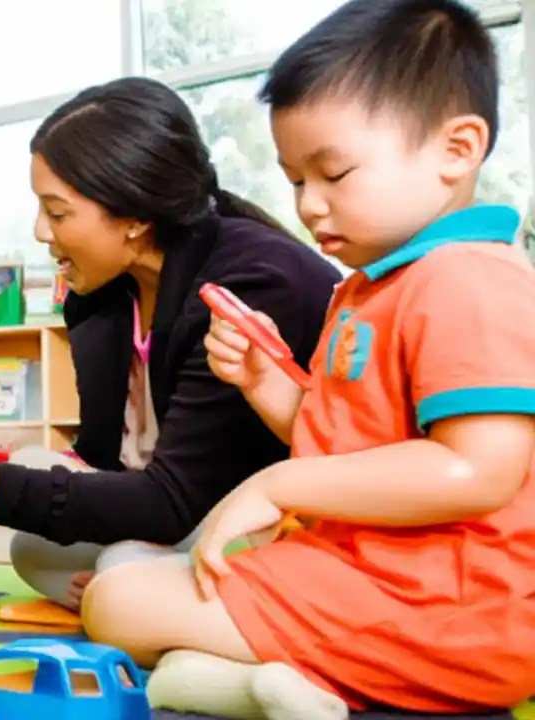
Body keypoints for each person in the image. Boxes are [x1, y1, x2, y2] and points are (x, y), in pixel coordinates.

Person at [85, 1, 535, 718]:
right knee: (124, 581)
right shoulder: (370, 287)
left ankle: (281, 683)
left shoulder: (468, 278)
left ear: (457, 150)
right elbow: (353, 446)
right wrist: (268, 383)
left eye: (335, 173)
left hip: (450, 609)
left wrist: (280, 486)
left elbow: (478, 471)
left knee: (120, 599)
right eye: (296, 181)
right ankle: (271, 689)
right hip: (371, 574)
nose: (310, 206)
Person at [0, 76, 340, 608]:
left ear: (136, 217)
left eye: (57, 212)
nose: (40, 232)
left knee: (120, 568)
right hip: (175, 518)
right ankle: (153, 603)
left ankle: (148, 602)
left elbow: (172, 502)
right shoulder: (100, 297)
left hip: (262, 520)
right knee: (34, 548)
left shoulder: (248, 285)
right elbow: (102, 462)